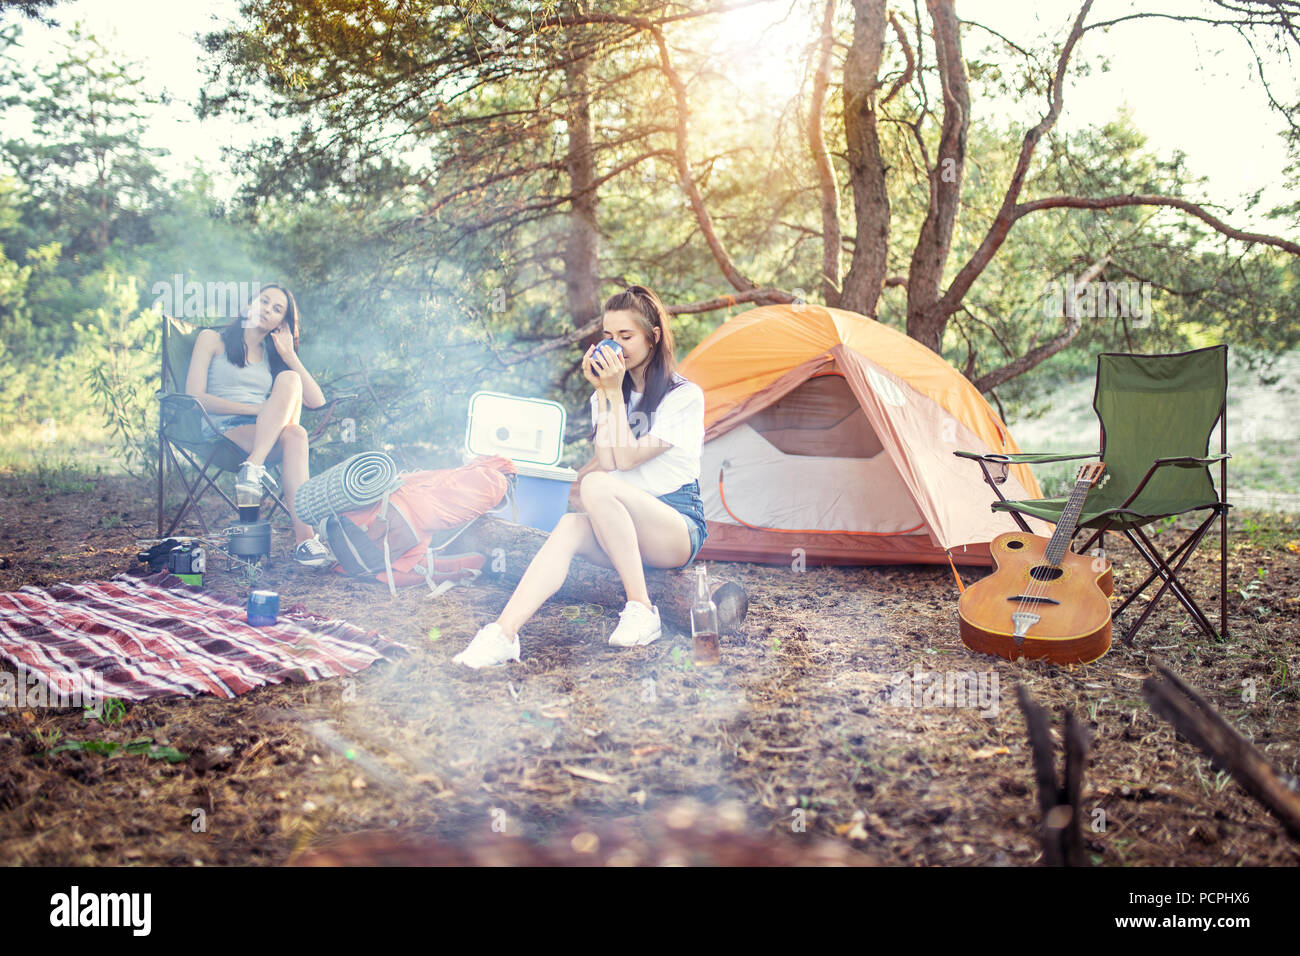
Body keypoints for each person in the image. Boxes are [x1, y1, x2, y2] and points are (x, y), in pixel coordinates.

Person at [453, 284, 709, 668]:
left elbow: (623, 459)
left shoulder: (684, 396)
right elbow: (607, 462)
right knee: (572, 524)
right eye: (608, 336)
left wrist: (611, 394)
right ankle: (503, 633)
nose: (615, 346)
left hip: (675, 526)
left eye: (626, 336)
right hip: (622, 526)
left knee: (594, 485)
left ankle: (641, 608)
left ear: (653, 337)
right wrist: (607, 395)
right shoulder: (605, 395)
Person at [184, 283, 333, 567]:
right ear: (250, 303)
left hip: (262, 433)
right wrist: (256, 409)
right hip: (223, 430)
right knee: (296, 434)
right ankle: (305, 537)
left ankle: (304, 539)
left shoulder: (273, 353)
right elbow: (194, 398)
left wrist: (289, 355)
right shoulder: (212, 339)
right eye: (264, 301)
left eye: (277, 309)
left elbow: (316, 399)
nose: (267, 310)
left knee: (294, 411)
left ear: (282, 323)